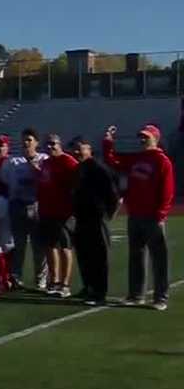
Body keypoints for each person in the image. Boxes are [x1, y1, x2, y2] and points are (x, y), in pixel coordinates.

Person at [104, 124, 175, 309]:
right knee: (136, 256)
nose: (142, 140)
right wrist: (108, 142)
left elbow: (167, 190)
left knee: (159, 259)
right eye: (141, 137)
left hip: (153, 217)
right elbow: (113, 161)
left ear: (155, 138)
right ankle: (136, 295)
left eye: (146, 137)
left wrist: (161, 214)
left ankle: (161, 298)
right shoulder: (137, 158)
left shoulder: (162, 161)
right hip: (135, 215)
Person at [70, 137, 119, 305]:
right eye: (74, 149)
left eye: (80, 148)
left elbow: (113, 193)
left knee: (98, 256)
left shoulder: (98, 168)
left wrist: (109, 214)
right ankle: (88, 287)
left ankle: (99, 292)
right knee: (84, 255)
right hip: (81, 218)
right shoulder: (78, 168)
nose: (77, 152)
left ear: (89, 149)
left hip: (96, 218)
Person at [0, 129, 48, 290]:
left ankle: (41, 278)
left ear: (36, 142)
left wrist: (36, 169)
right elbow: (5, 181)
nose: (26, 143)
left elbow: (47, 181)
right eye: (24, 140)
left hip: (36, 205)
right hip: (17, 205)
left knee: (39, 246)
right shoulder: (12, 161)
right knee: (18, 245)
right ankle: (16, 276)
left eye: (29, 139)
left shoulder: (44, 159)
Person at [35, 134, 78, 298]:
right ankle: (54, 280)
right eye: (47, 144)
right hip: (47, 211)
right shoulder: (46, 163)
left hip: (64, 213)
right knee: (50, 247)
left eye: (53, 144)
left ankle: (65, 284)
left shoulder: (68, 161)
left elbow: (76, 184)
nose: (50, 147)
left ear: (60, 144)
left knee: (65, 247)